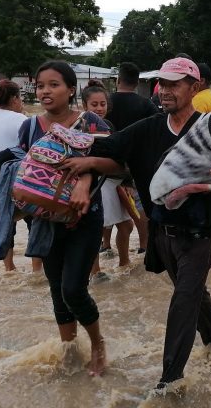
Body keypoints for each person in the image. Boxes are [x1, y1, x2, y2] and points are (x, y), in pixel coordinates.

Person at [58, 57, 211, 389]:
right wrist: (71, 152)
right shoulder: (147, 130)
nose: (165, 91)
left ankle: (169, 383)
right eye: (163, 84)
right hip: (162, 235)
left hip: (201, 236)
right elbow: (104, 146)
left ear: (194, 88)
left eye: (174, 84)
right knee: (194, 297)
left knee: (183, 301)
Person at [19, 60, 111, 377]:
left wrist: (85, 179)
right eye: (41, 85)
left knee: (74, 289)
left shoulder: (91, 122)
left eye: (54, 84)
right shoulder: (29, 127)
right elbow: (21, 172)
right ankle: (69, 350)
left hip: (84, 219)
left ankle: (97, 344)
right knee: (57, 290)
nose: (45, 91)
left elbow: (118, 164)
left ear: (71, 89)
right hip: (43, 222)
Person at [0, 79, 42, 273]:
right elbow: (32, 150)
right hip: (20, 178)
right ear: (15, 98)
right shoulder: (22, 120)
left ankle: (9, 268)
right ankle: (37, 270)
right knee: (35, 221)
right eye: (20, 97)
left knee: (4, 219)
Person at [81, 80, 134, 279]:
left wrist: (128, 181)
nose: (99, 108)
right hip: (96, 183)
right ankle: (95, 271)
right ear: (84, 105)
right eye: (94, 104)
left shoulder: (109, 125)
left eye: (102, 104)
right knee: (97, 227)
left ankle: (124, 262)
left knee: (126, 225)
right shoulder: (80, 125)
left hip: (114, 181)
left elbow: (119, 155)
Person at [105, 62, 157, 254]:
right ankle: (144, 246)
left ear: (118, 80)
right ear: (136, 83)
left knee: (105, 205)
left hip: (107, 164)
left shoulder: (105, 102)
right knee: (139, 205)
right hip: (137, 164)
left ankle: (105, 245)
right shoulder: (146, 104)